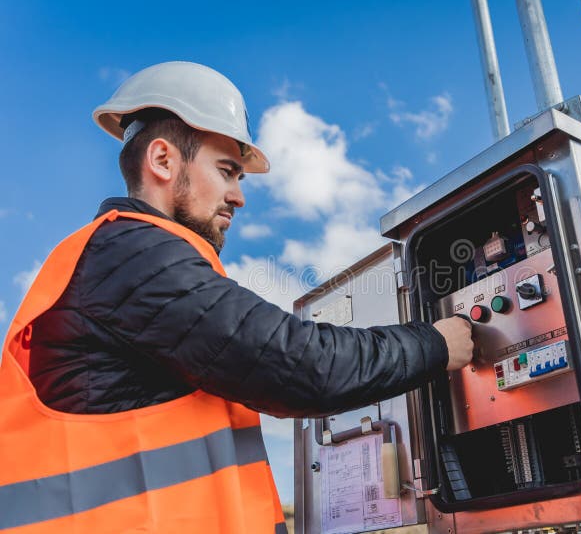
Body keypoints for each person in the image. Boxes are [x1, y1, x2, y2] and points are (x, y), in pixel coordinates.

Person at [0, 62, 473, 533]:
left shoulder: (120, 258)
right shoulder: (134, 255)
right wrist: (436, 344)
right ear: (162, 160)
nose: (238, 197)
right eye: (226, 171)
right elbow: (302, 366)